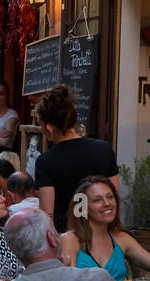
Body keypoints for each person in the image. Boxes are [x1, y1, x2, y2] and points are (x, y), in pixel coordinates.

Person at [34, 85, 119, 232]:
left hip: (66, 236)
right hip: (101, 235)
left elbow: (47, 215)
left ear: (48, 127)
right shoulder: (104, 149)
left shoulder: (45, 161)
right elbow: (114, 198)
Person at [59, 176, 150, 281]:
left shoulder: (121, 238)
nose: (107, 203)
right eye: (97, 200)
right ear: (82, 208)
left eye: (110, 197)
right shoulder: (70, 239)